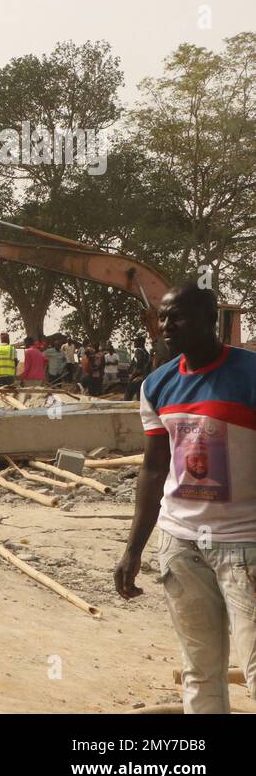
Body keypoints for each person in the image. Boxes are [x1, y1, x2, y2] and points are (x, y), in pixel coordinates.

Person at [114, 281, 256, 714]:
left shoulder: (250, 375)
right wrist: (133, 549)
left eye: (178, 316)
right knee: (200, 670)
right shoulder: (157, 384)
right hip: (181, 543)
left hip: (245, 545)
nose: (167, 325)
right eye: (163, 316)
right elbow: (154, 468)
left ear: (210, 320)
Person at [125, 335, 152, 402]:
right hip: (144, 377)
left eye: (136, 342)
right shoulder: (147, 353)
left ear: (141, 343)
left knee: (128, 396)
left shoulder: (138, 351)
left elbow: (138, 365)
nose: (134, 343)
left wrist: (132, 377)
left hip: (137, 377)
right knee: (140, 397)